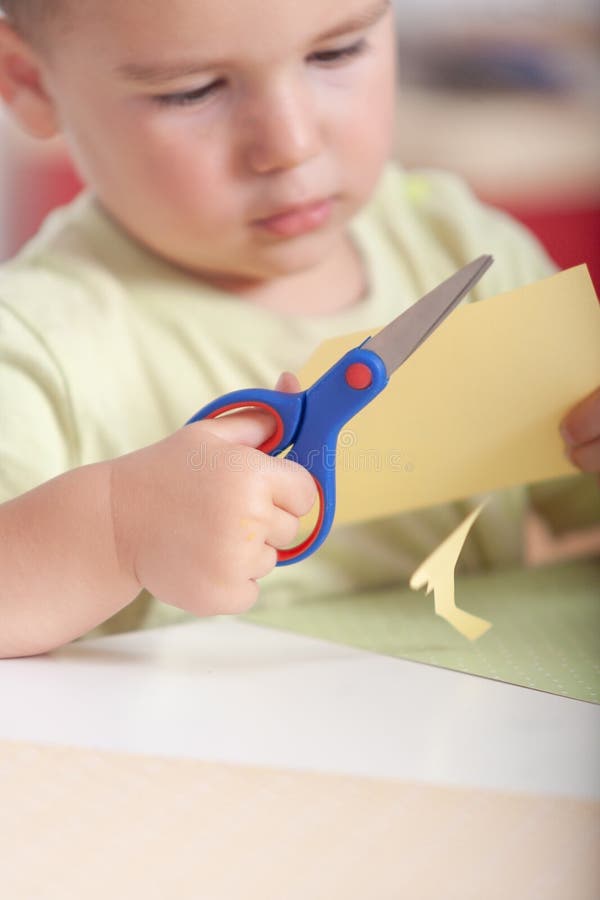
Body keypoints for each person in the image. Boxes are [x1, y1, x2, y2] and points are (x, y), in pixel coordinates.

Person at [0, 0, 597, 659]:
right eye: (192, 90)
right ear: (27, 80)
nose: (291, 143)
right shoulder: (32, 342)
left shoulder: (466, 250)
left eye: (335, 52)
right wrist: (118, 531)